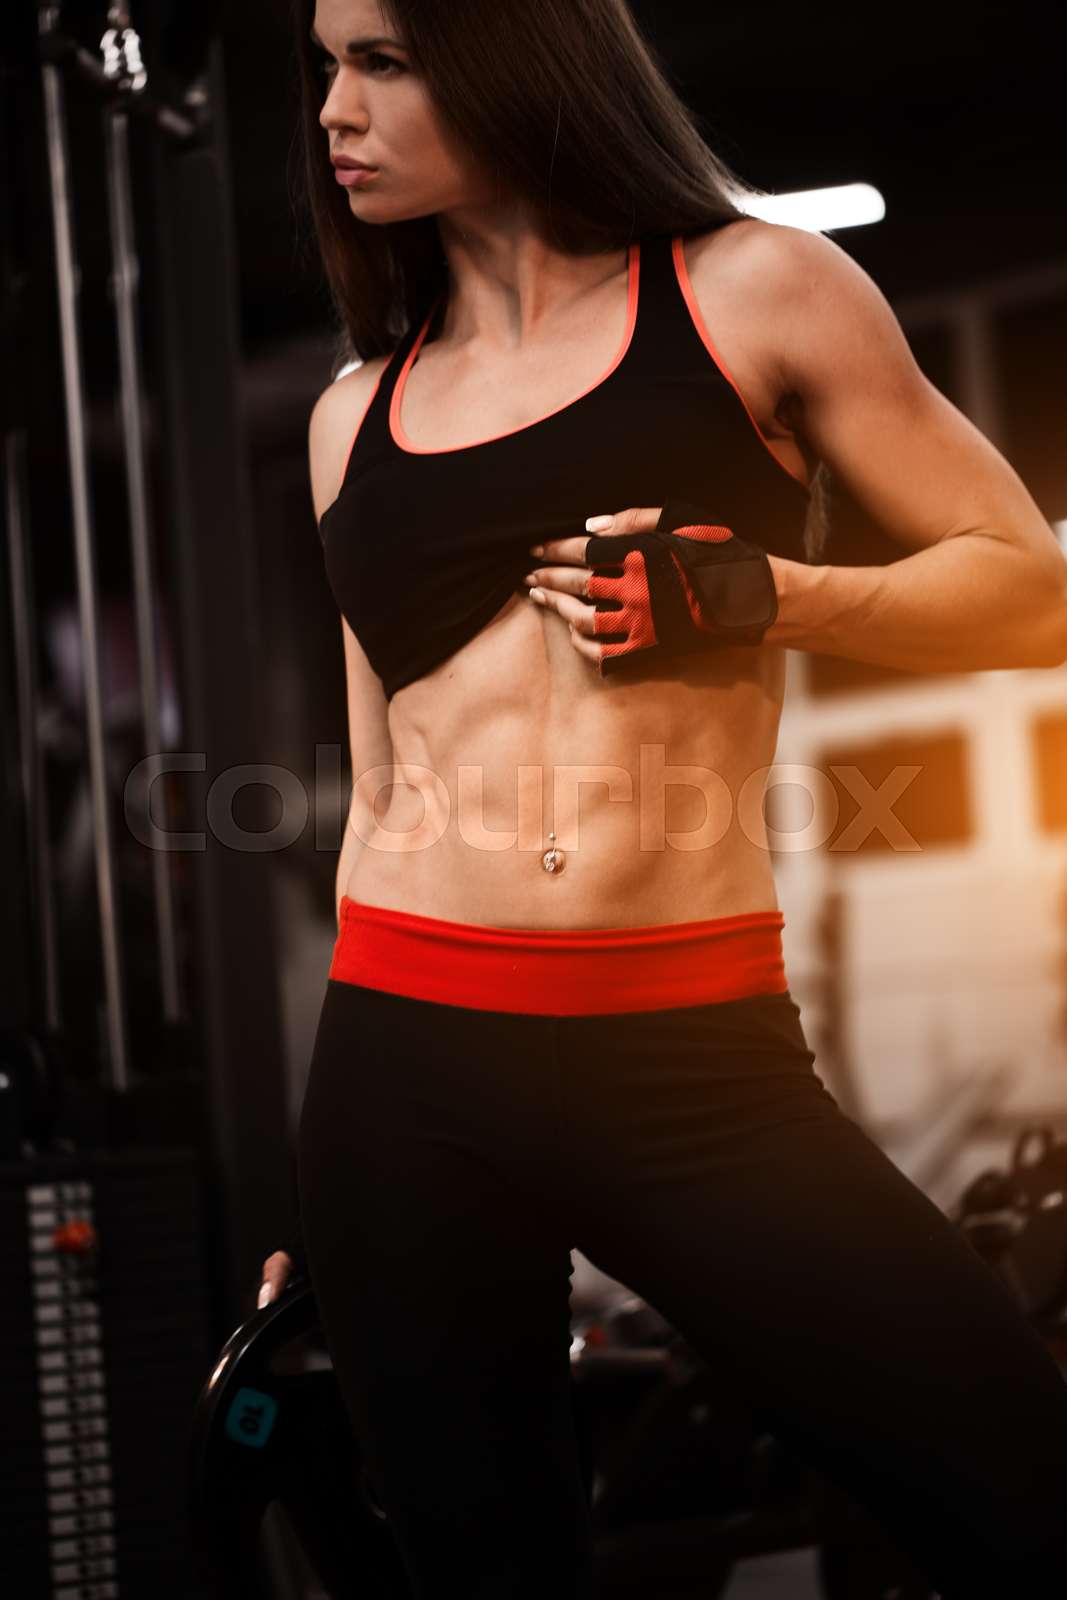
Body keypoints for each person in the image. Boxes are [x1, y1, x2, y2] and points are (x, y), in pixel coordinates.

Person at [261, 1, 1067, 1594]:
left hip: (689, 1057)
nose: (333, 111)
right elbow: (383, 782)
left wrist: (774, 593)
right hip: (405, 1062)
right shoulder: (352, 412)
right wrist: (334, 1175)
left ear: (508, 62)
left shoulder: (750, 292)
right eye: (323, 67)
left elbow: (1030, 592)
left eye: (381, 62)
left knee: (1021, 1492)